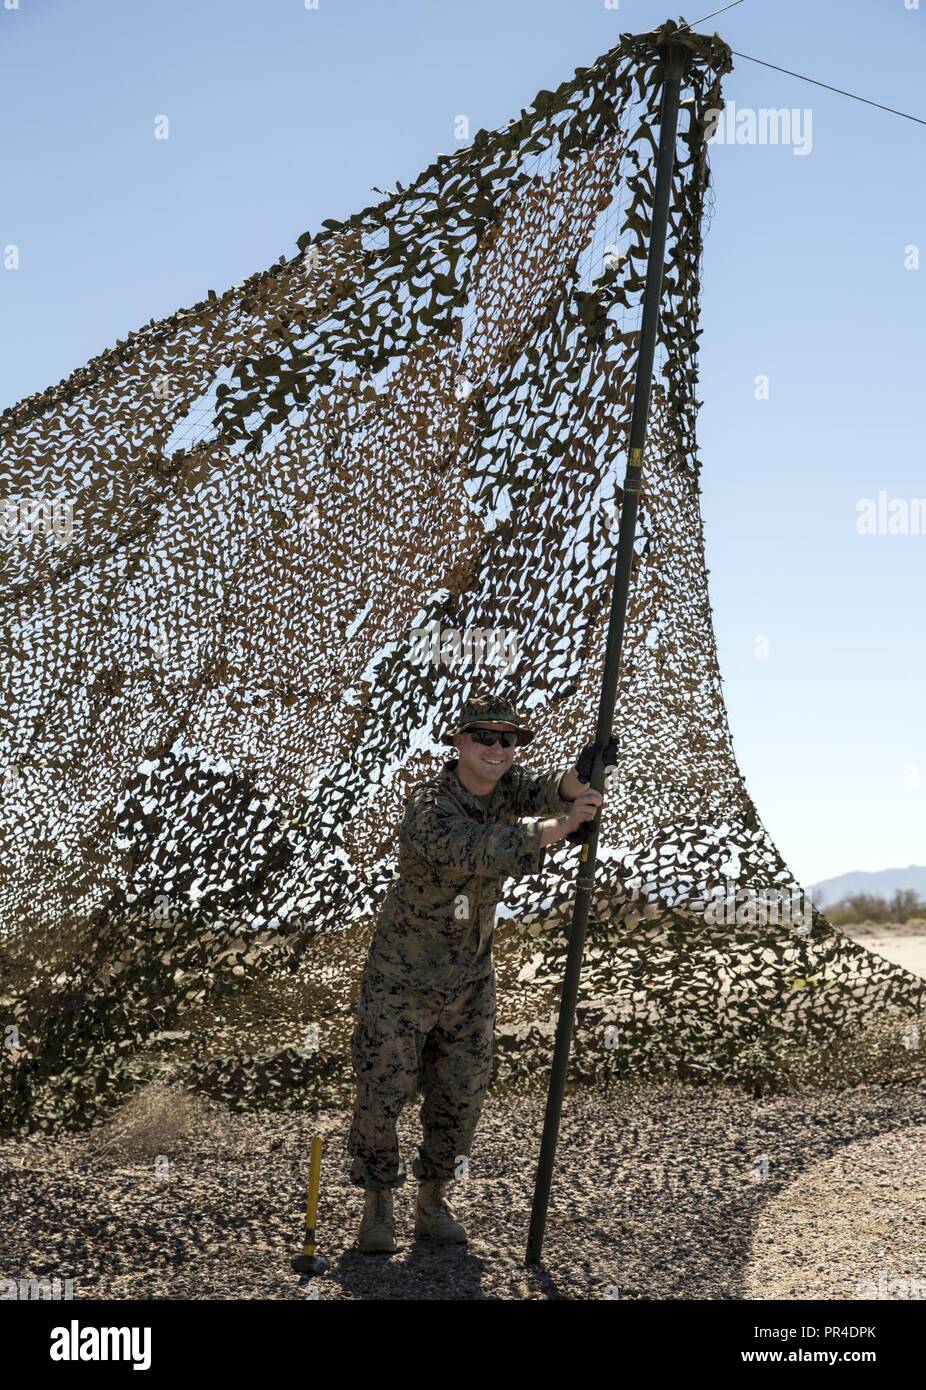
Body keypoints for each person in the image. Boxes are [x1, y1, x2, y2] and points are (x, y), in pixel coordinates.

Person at [346, 693, 605, 1253]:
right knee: (382, 1092)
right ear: (458, 742)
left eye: (507, 739)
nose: (496, 748)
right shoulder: (430, 807)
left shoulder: (506, 786)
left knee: (460, 1094)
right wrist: (560, 828)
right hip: (402, 980)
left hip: (469, 981)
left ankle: (432, 1202)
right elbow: (476, 848)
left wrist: (579, 778)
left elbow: (543, 789)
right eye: (484, 737)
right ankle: (378, 1207)